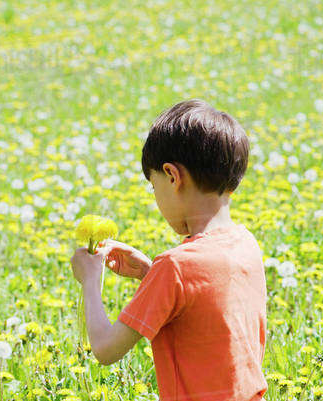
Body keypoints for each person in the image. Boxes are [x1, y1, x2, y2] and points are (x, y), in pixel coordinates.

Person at [70, 99, 268, 401]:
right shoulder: (246, 244)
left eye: (154, 186)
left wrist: (90, 280)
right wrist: (151, 275)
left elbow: (105, 348)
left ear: (172, 176)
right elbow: (205, 309)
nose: (155, 196)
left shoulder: (175, 267)